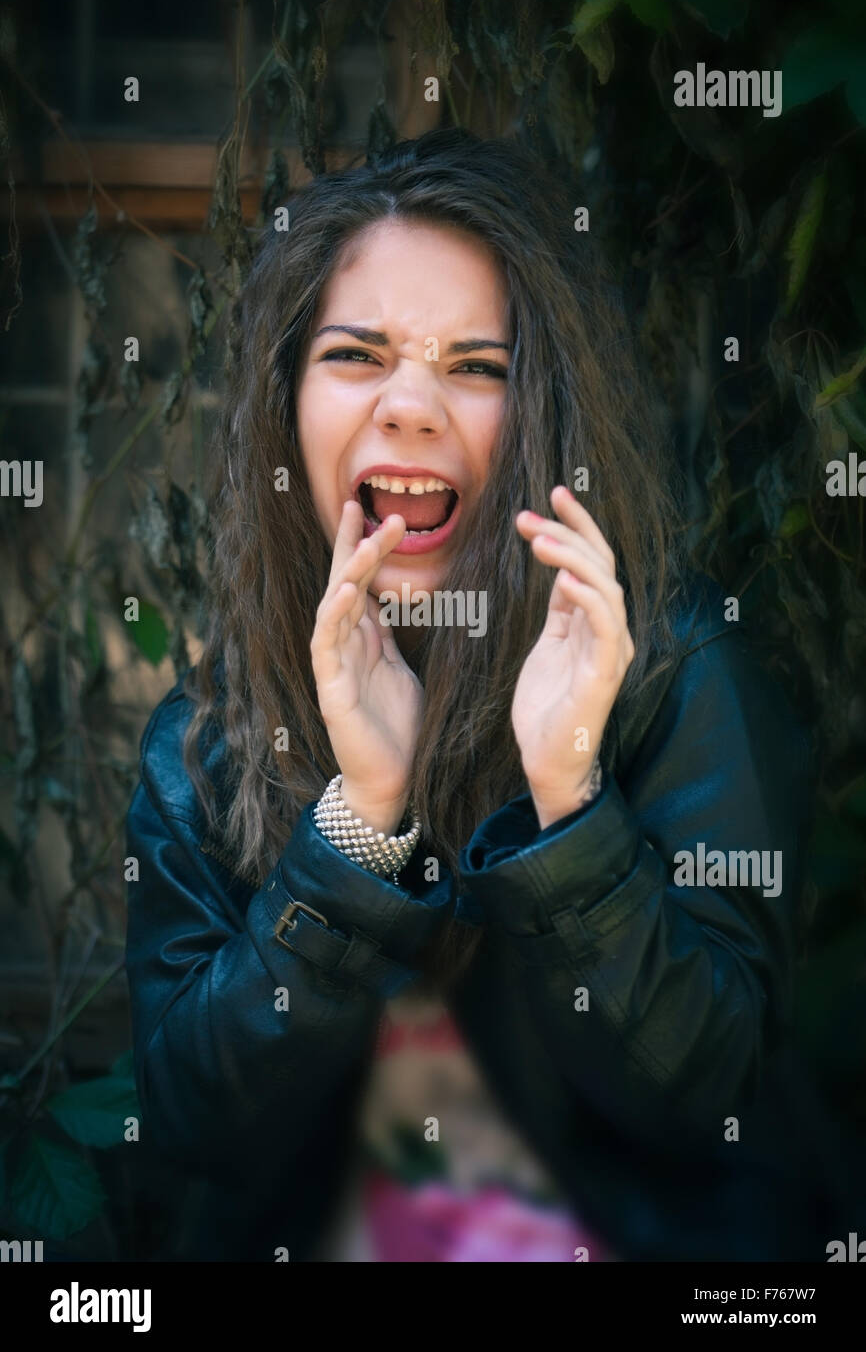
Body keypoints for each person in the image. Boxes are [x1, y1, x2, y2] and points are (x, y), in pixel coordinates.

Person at [124, 128, 812, 1262]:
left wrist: (570, 802)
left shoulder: (679, 681)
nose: (409, 406)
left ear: (541, 412)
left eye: (474, 365)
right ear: (285, 405)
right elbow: (198, 1128)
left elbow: (711, 1106)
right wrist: (356, 821)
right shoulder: (200, 748)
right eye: (356, 354)